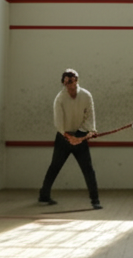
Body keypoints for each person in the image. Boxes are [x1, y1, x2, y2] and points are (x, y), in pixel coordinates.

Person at [38, 68, 102, 209]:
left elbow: (90, 117)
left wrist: (87, 132)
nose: (70, 85)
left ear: (77, 80)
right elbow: (59, 123)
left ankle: (95, 200)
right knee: (54, 167)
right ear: (63, 83)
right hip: (63, 138)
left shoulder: (86, 96)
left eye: (72, 81)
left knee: (88, 169)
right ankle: (44, 195)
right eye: (67, 82)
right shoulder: (59, 99)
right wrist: (69, 137)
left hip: (80, 135)